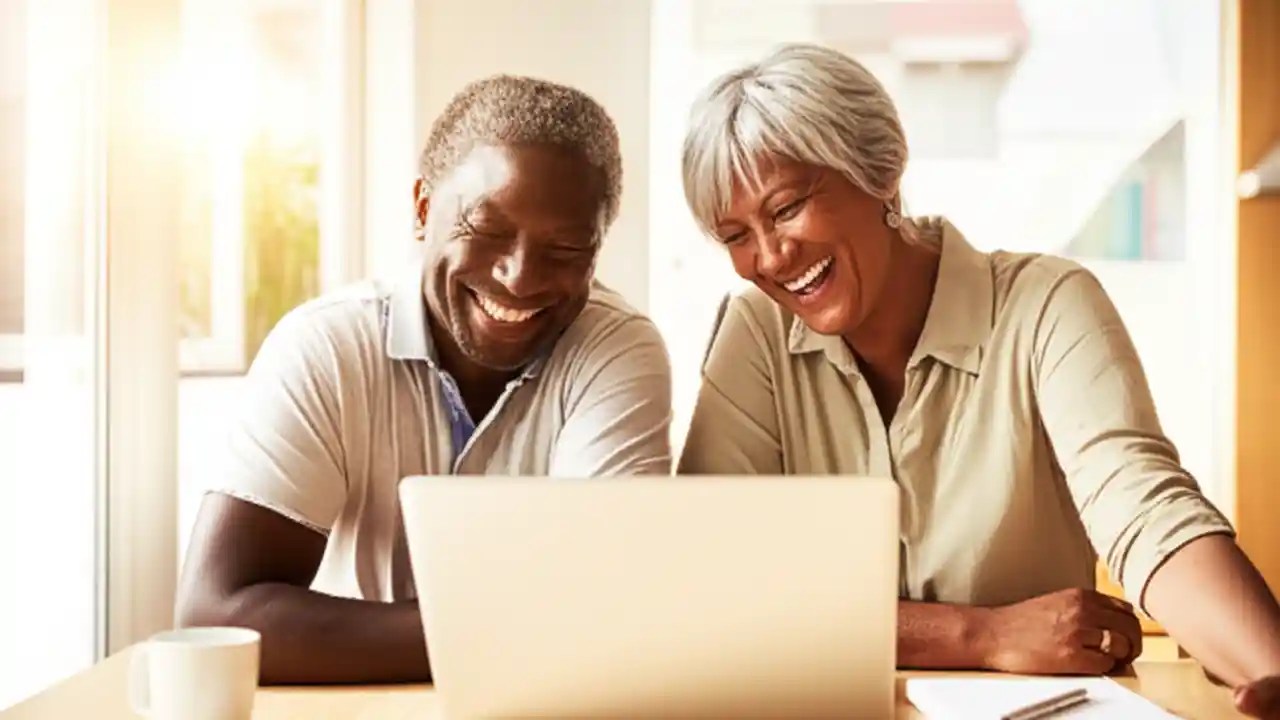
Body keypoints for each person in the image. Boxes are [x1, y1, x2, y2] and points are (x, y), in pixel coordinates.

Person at [677, 43, 1280, 718]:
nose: (770, 257)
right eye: (735, 235)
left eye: (787, 208)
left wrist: (1270, 665)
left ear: (878, 171)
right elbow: (714, 587)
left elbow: (1145, 510)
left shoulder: (1047, 304)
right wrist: (983, 636)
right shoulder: (753, 335)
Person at [175, 75, 673, 684]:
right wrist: (517, 631)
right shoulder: (328, 346)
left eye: (566, 249)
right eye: (487, 231)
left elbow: (616, 605)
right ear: (422, 209)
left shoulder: (617, 350)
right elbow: (217, 615)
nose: (520, 277)